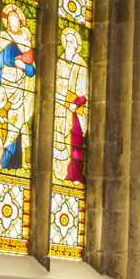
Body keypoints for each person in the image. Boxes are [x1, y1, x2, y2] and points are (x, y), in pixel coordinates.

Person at [0, 4, 35, 170]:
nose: (13, 23)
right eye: (10, 20)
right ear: (7, 24)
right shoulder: (3, 41)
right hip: (3, 92)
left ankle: (12, 164)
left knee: (15, 129)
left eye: (16, 20)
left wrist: (23, 67)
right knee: (2, 131)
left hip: (21, 92)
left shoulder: (25, 45)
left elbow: (32, 70)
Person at [53, 26, 88, 184]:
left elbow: (84, 92)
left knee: (74, 143)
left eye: (71, 42)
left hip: (75, 109)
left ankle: (75, 174)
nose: (68, 44)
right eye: (66, 41)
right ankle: (60, 172)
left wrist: (75, 103)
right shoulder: (60, 61)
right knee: (57, 139)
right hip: (59, 105)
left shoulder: (81, 64)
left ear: (76, 45)